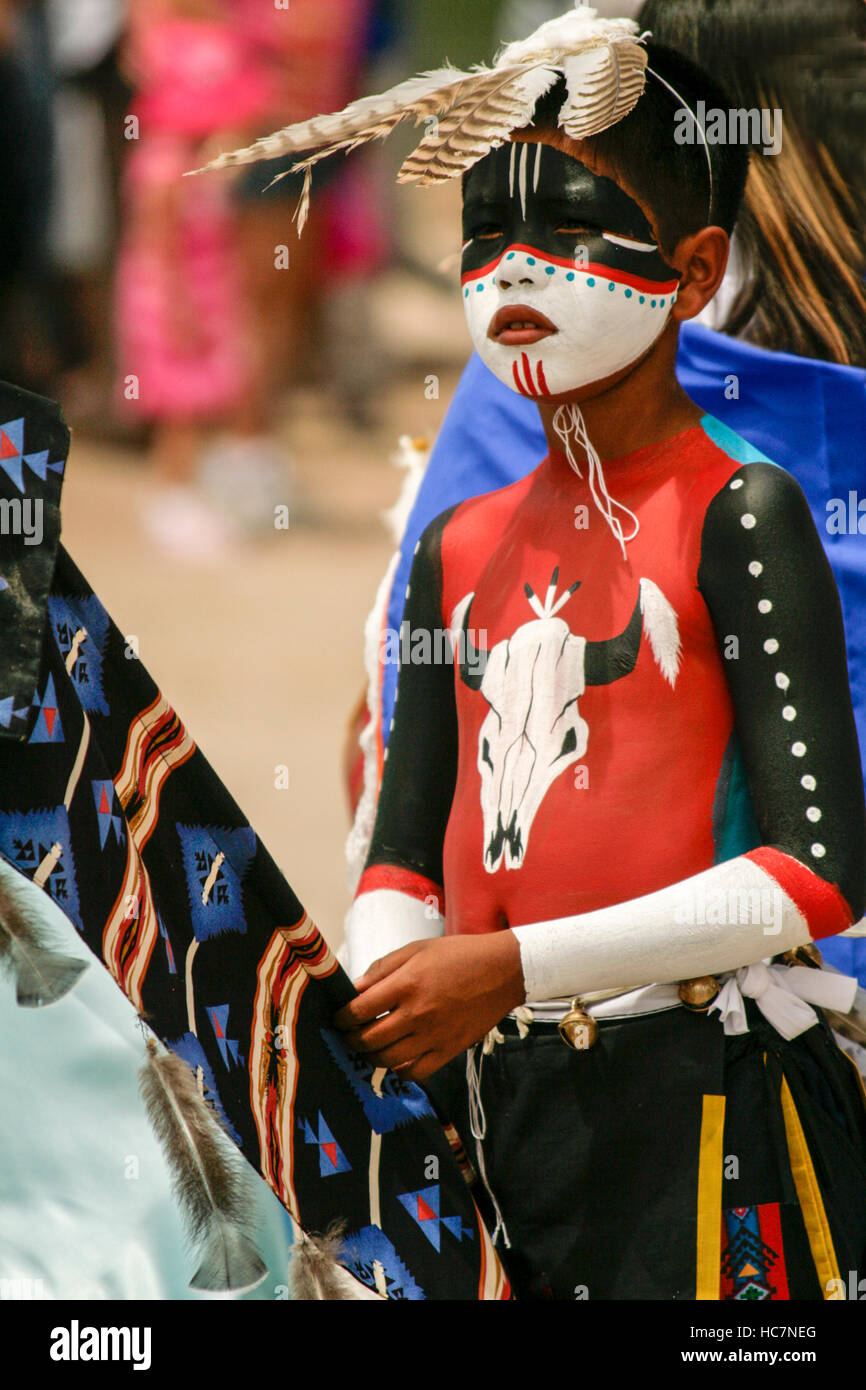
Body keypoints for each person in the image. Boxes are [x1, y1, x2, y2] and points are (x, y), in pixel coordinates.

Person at [325, 33, 866, 1297]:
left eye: (565, 232)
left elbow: (815, 875)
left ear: (692, 272)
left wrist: (512, 968)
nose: (512, 272)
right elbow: (402, 846)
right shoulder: (456, 545)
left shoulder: (746, 509)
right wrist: (391, 981)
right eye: (481, 236)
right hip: (486, 1110)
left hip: (704, 1114)